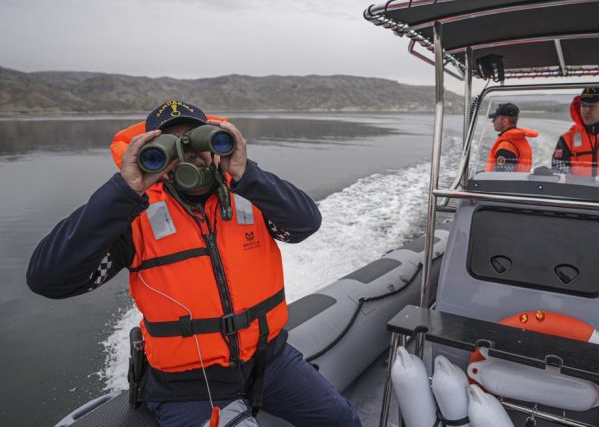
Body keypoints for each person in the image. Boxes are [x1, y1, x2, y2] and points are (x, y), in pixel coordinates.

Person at [27, 101, 362, 427]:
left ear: (215, 144)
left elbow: (305, 224)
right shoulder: (133, 217)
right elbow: (49, 280)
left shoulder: (251, 194)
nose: (188, 152)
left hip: (268, 362)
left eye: (197, 139)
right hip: (186, 386)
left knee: (342, 420)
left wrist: (246, 172)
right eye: (171, 146)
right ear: (153, 153)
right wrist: (123, 191)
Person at [484, 103, 539, 172]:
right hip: (520, 181)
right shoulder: (521, 140)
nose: (492, 121)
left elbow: (502, 178)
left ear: (505, 121)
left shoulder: (506, 146)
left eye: (495, 118)